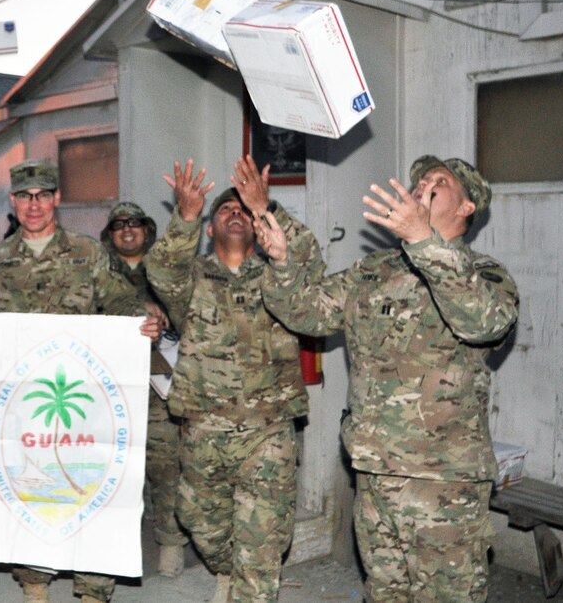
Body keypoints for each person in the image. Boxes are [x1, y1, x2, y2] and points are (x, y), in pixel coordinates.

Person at [255, 155, 519, 602]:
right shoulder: (374, 271)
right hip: (375, 473)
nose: (423, 187)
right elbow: (310, 312)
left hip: (443, 484)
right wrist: (282, 263)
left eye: (440, 182)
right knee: (384, 593)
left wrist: (423, 242)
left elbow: (484, 323)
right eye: (419, 181)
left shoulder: (485, 274)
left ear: (467, 207)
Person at [0, 159, 160, 603]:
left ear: (56, 199)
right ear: (13, 202)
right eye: (24, 196)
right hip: (24, 406)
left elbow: (121, 300)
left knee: (92, 484)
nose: (33, 205)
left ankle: (94, 588)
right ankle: (35, 582)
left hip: (83, 400)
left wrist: (142, 320)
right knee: (31, 488)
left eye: (42, 195)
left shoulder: (87, 252)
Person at [145, 157, 310, 603]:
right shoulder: (192, 278)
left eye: (243, 210)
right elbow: (160, 270)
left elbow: (307, 257)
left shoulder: (282, 273)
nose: (235, 213)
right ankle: (227, 571)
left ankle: (247, 584)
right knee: (198, 517)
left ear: (255, 225)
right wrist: (185, 215)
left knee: (261, 543)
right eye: (224, 210)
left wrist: (266, 207)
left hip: (269, 429)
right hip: (204, 427)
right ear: (210, 229)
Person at [100, 201, 189, 578]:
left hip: (159, 384)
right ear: (110, 235)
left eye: (135, 222)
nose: (127, 229)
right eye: (119, 224)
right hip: (110, 384)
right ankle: (109, 545)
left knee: (165, 464)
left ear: (147, 231)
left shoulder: (166, 268)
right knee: (111, 467)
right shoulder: (97, 269)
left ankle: (170, 544)